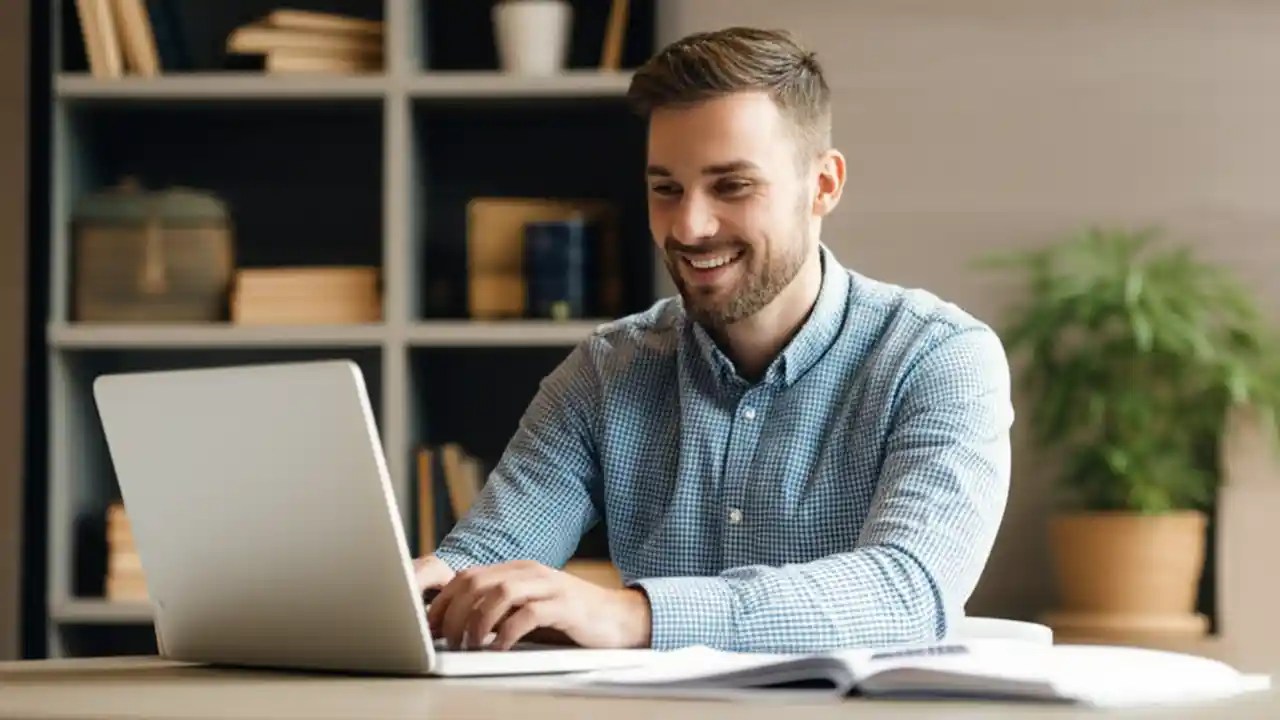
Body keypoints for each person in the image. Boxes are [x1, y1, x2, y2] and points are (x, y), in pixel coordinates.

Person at [414, 26, 1013, 654]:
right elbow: (488, 562)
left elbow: (908, 591)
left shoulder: (939, 358)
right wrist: (436, 591)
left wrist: (634, 615)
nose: (690, 226)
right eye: (666, 189)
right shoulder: (604, 372)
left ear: (824, 186)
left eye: (732, 186)